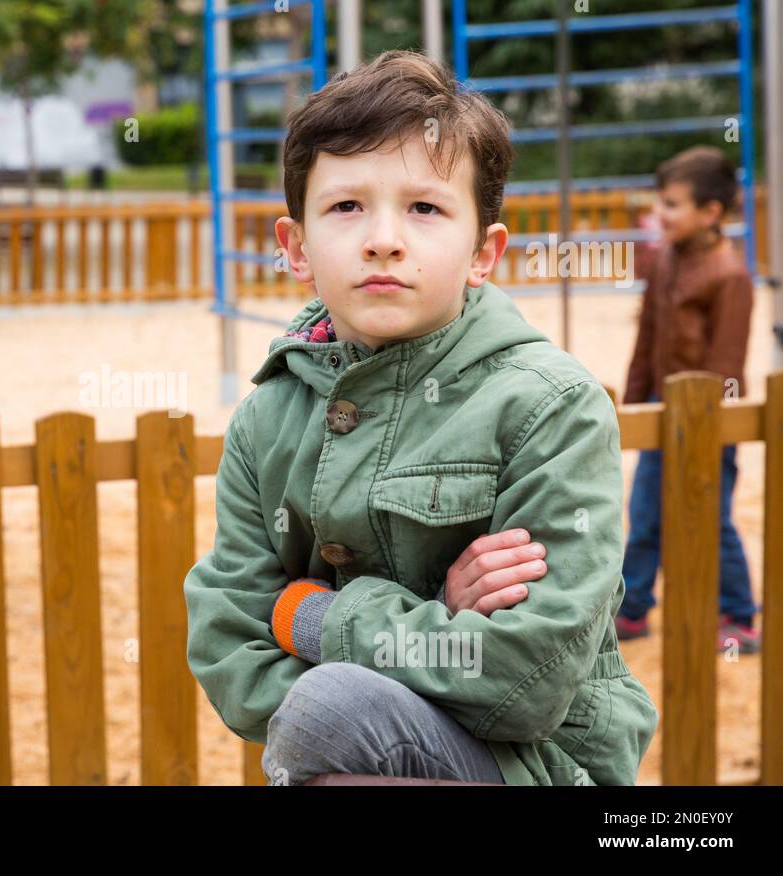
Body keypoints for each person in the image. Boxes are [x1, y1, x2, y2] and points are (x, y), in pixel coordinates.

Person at [183, 50, 659, 787]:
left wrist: (308, 618)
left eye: (425, 208)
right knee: (327, 715)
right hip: (356, 760)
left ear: (482, 251)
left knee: (329, 704)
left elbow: (524, 679)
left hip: (539, 768)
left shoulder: (546, 406)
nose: (383, 238)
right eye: (346, 206)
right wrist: (441, 616)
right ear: (296, 247)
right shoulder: (265, 420)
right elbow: (230, 653)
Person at [617, 146, 758, 653]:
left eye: (672, 204)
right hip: (660, 404)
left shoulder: (730, 277)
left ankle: (740, 615)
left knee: (711, 516)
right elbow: (647, 339)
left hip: (706, 417)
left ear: (711, 212)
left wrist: (713, 430)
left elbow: (727, 367)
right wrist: (633, 406)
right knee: (646, 514)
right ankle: (632, 611)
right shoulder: (663, 260)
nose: (661, 214)